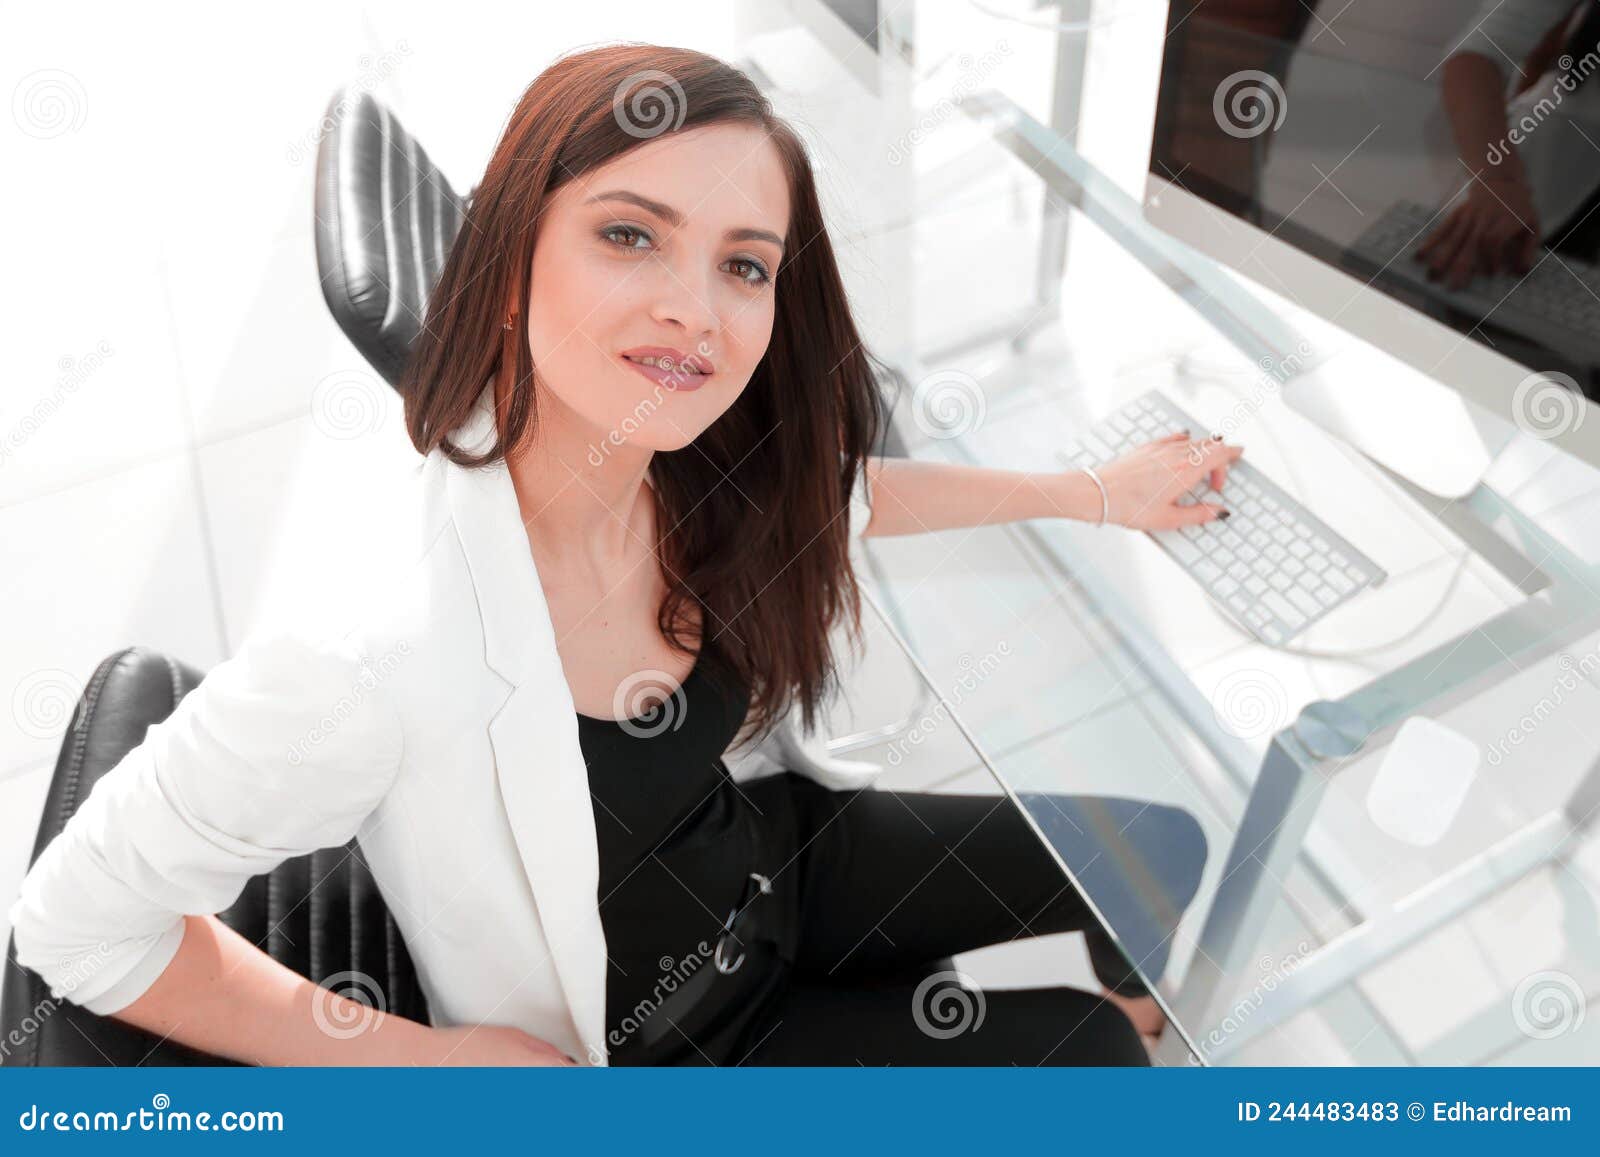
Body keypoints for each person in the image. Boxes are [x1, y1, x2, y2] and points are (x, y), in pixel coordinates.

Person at [10, 43, 1235, 1067]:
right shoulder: (364, 656)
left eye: (743, 263)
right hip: (678, 1038)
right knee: (1091, 1047)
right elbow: (74, 926)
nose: (697, 310)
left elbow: (844, 495)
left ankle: (1091, 1019)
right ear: (505, 267)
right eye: (631, 236)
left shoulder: (677, 463)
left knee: (1160, 852)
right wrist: (431, 1064)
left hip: (771, 856)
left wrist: (1093, 495)